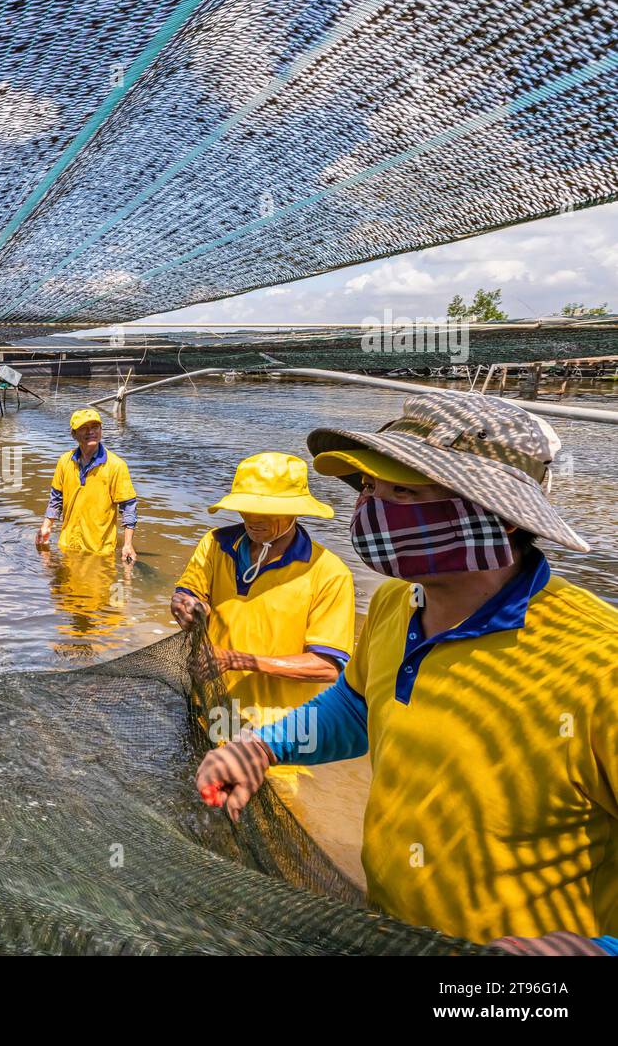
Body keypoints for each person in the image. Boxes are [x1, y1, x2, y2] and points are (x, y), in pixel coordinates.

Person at [195, 391, 618, 954]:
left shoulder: (599, 660)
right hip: (394, 932)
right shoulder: (397, 602)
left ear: (500, 517)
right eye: (368, 488)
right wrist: (266, 747)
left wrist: (598, 949)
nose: (371, 509)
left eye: (404, 492)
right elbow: (358, 705)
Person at [170, 452, 354, 715]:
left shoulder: (329, 573)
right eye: (247, 508)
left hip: (276, 728)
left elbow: (327, 666)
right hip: (209, 706)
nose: (254, 519)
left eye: (268, 511)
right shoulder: (216, 544)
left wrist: (236, 660)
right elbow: (189, 590)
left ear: (296, 512)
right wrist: (183, 603)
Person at [36, 408, 137, 563]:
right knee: (60, 587)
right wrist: (46, 527)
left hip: (100, 551)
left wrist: (128, 544)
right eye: (84, 428)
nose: (91, 432)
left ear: (101, 430)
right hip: (67, 546)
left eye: (95, 427)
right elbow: (56, 499)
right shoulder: (64, 461)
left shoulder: (116, 466)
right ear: (74, 434)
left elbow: (128, 506)